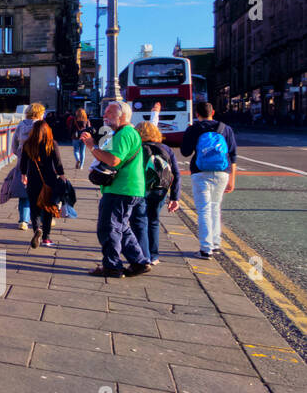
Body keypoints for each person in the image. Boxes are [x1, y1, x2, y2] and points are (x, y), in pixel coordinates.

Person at [79, 99, 151, 278]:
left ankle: (112, 266)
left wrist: (91, 147)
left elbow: (113, 160)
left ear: (122, 116)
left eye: (109, 113)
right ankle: (139, 262)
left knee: (108, 228)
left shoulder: (125, 133)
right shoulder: (124, 133)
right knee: (122, 228)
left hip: (121, 189)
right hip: (127, 188)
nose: (105, 116)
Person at [179, 101, 238, 259]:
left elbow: (185, 152)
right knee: (215, 208)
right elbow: (232, 155)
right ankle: (216, 244)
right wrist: (232, 179)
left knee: (204, 210)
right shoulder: (225, 129)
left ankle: (206, 249)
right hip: (222, 172)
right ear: (213, 113)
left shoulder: (194, 129)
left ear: (197, 114)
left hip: (200, 172)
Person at [137, 121, 180, 265]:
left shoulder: (138, 148)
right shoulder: (166, 148)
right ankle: (154, 256)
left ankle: (144, 257)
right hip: (161, 190)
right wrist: (175, 197)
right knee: (154, 221)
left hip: (141, 189)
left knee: (141, 222)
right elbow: (176, 174)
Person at [19, 121, 65, 248]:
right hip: (49, 181)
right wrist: (62, 176)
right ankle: (46, 238)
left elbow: (23, 162)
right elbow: (58, 162)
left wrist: (24, 175)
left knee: (34, 208)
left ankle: (37, 230)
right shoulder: (51, 144)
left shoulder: (28, 144)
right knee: (48, 209)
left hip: (33, 180)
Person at [10, 102, 45, 230]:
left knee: (24, 193)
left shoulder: (21, 125)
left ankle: (23, 221)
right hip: (39, 164)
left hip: (23, 163)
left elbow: (14, 145)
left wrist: (20, 155)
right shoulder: (43, 126)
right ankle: (40, 219)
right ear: (40, 113)